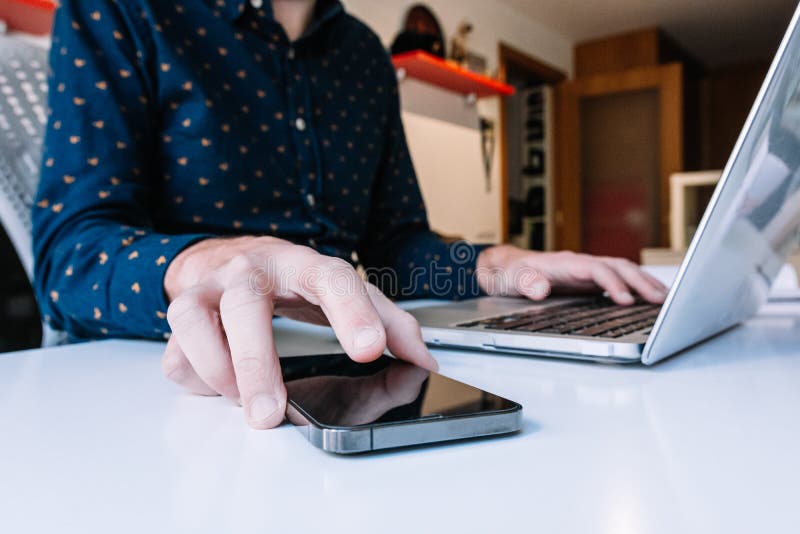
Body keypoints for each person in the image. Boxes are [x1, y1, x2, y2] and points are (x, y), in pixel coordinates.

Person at [33, 0, 667, 430]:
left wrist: (500, 265)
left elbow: (396, 245)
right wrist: (215, 261)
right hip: (168, 395)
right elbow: (70, 252)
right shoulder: (118, 10)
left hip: (354, 368)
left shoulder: (363, 52)